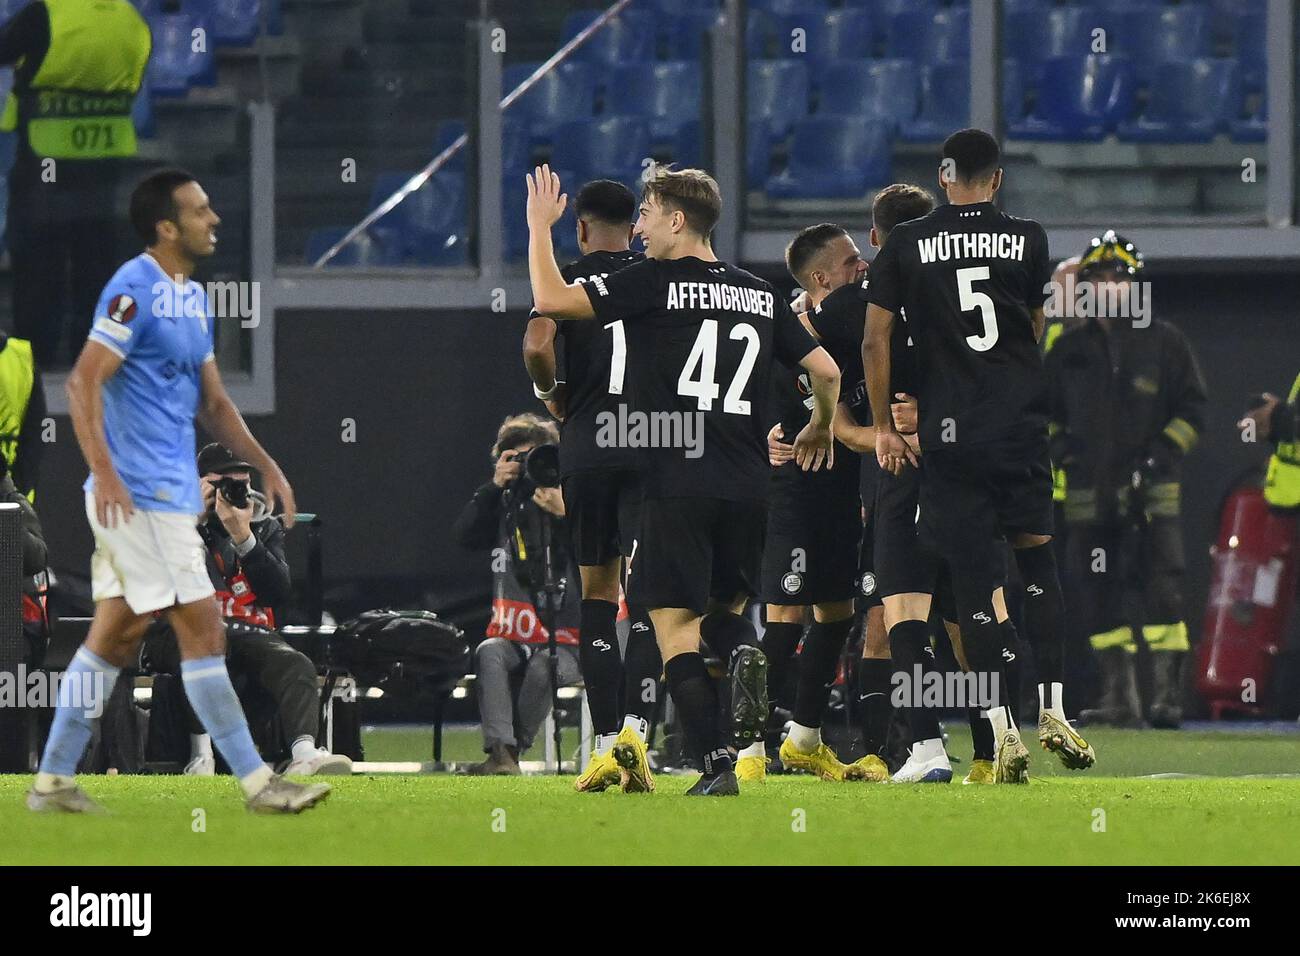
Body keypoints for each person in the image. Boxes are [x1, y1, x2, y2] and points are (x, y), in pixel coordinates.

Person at [524, 163, 839, 796]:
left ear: (676, 220)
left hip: (674, 480)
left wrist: (538, 229)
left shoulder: (654, 283)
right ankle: (746, 649)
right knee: (724, 614)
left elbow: (552, 304)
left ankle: (717, 764)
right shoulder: (761, 292)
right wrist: (820, 428)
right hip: (749, 485)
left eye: (646, 215)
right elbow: (826, 371)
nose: (638, 228)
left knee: (673, 630)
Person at [27, 168, 327, 814]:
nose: (213, 219)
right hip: (136, 497)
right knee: (204, 625)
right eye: (200, 210)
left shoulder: (191, 299)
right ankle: (256, 781)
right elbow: (82, 383)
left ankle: (52, 779)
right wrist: (104, 471)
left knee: (113, 636)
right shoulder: (132, 288)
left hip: (164, 498)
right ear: (167, 227)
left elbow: (214, 404)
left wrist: (266, 464)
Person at [864, 129, 1095, 784]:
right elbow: (1031, 327)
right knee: (1036, 561)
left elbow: (876, 340)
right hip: (1020, 428)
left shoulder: (907, 242)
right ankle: (1052, 706)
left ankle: (999, 730)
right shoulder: (1029, 237)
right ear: (997, 179)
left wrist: (884, 424)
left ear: (944, 176)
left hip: (952, 437)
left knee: (974, 587)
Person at [522, 180, 663, 794]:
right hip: (659, 444)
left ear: (580, 230)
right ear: (636, 226)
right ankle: (637, 734)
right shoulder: (662, 275)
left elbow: (536, 343)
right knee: (660, 601)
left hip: (590, 445)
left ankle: (605, 743)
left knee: (600, 599)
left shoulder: (571, 280)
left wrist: (551, 394)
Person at [1047, 233, 1207, 728]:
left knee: (1164, 591)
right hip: (1087, 495)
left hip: (1153, 494)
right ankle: (1119, 699)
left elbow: (1193, 410)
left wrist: (1159, 458)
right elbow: (1043, 416)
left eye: (1119, 278)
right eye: (1099, 278)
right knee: (1095, 591)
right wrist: (1065, 454)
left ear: (1135, 284)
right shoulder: (1067, 349)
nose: (1110, 285)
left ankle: (1165, 699)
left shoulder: (1166, 342)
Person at [749, 222, 885, 785]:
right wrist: (766, 437)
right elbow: (744, 396)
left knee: (837, 613)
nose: (863, 266)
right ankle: (748, 751)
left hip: (841, 491)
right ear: (822, 276)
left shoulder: (860, 319)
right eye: (852, 261)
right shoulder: (786, 330)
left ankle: (804, 738)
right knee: (785, 614)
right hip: (794, 492)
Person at [141, 443, 352, 776]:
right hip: (178, 630)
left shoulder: (260, 525)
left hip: (248, 632)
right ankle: (202, 755)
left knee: (295, 663)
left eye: (240, 484)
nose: (232, 492)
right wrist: (190, 522)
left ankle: (304, 754)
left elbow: (277, 593)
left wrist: (243, 537)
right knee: (208, 647)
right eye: (222, 483)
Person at [0, 0, 151, 367]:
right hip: (104, 167)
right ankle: (93, 359)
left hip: (45, 164)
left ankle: (35, 364)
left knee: (39, 268)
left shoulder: (48, 14)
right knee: (97, 266)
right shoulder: (130, 20)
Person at [453, 413, 583, 776]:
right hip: (516, 635)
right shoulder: (500, 502)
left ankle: (514, 752)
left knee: (547, 664)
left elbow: (604, 548)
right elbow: (464, 536)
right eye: (518, 459)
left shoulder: (572, 499)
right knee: (489, 652)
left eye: (536, 458)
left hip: (570, 639)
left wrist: (567, 514)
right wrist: (493, 487)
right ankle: (501, 753)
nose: (528, 469)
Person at [0, 331, 47, 501]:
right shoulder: (21, 355)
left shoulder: (23, 356)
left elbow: (40, 430)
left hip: (13, 499)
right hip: (14, 497)